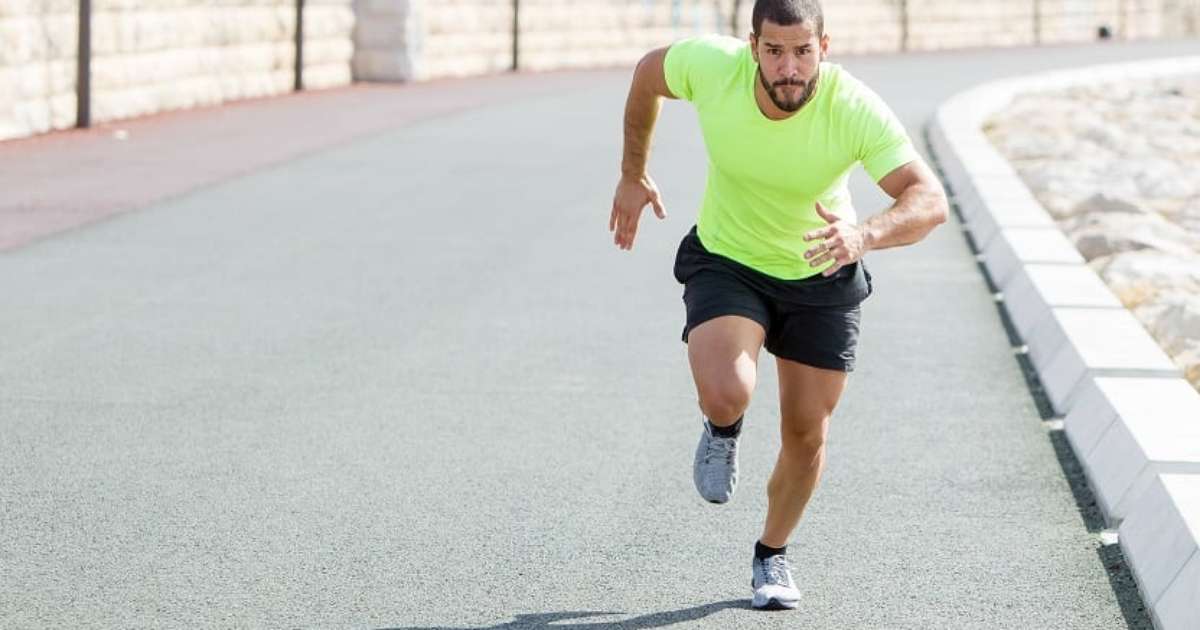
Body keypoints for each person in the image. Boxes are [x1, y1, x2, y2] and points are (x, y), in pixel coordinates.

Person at [607, 0, 949, 611]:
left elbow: (928, 198)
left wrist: (863, 235)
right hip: (729, 259)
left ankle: (772, 554)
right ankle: (722, 427)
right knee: (727, 389)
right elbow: (645, 75)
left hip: (823, 271)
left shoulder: (851, 106)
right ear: (752, 45)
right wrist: (634, 172)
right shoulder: (713, 67)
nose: (788, 67)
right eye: (774, 51)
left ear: (824, 45)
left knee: (806, 434)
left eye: (802, 51)